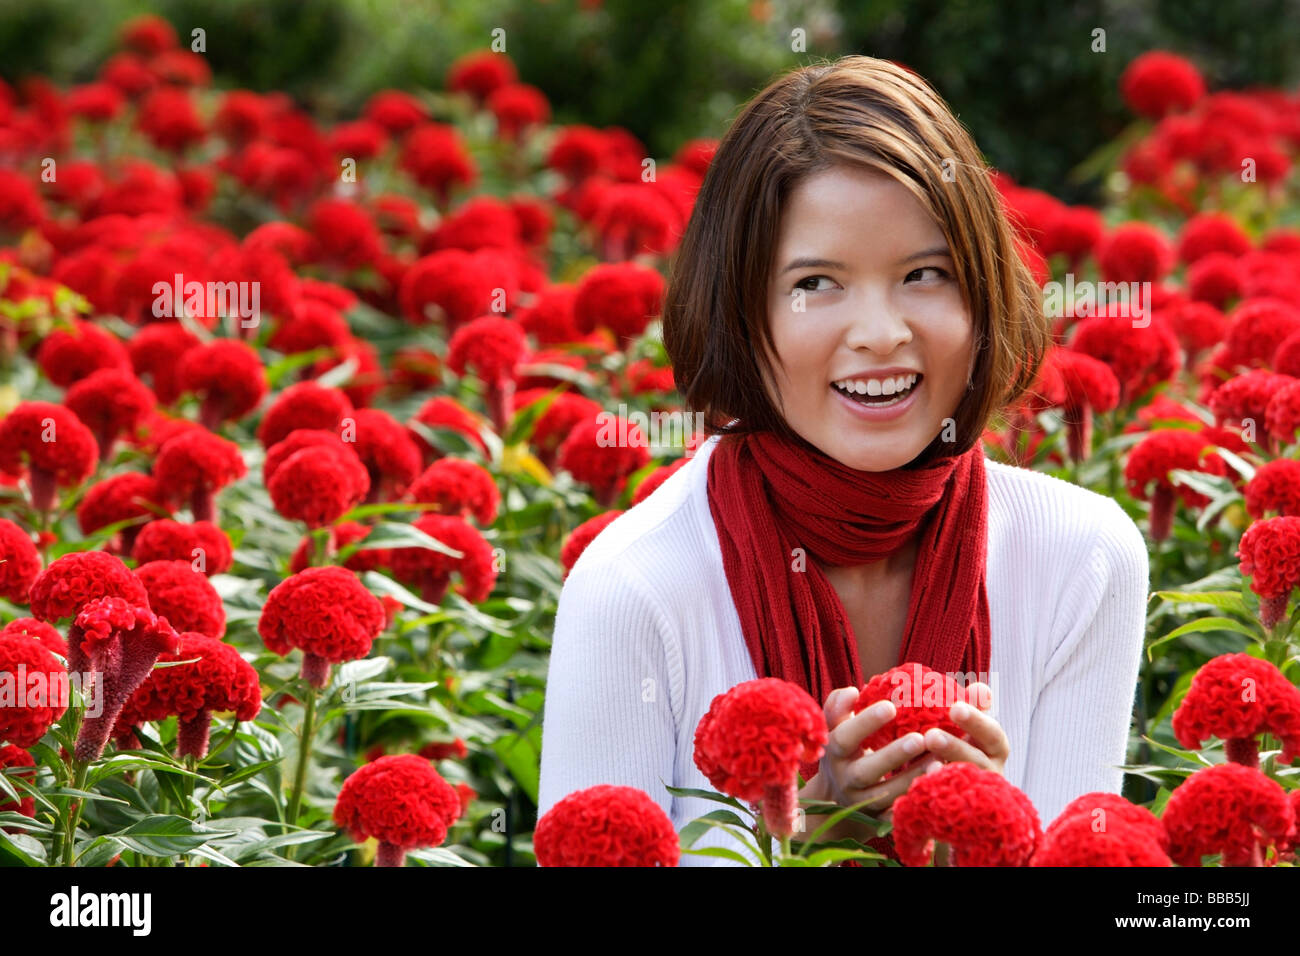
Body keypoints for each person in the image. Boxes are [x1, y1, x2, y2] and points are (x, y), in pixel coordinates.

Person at [536, 54, 1149, 865]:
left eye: (926, 274)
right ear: (738, 310)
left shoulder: (1084, 560)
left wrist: (994, 840)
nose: (880, 332)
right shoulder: (636, 590)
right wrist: (796, 833)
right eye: (817, 283)